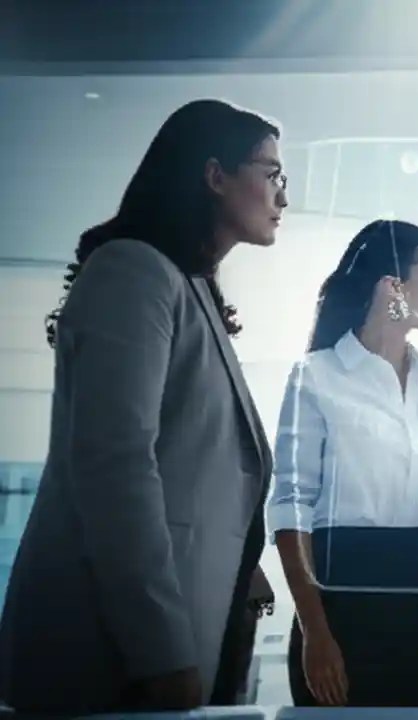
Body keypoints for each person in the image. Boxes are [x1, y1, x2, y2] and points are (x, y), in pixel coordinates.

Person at [0, 99, 287, 713]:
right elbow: (116, 469)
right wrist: (163, 655)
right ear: (215, 176)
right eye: (271, 173)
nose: (281, 196)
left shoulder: (191, 288)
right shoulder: (134, 271)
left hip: (174, 631)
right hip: (113, 648)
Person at [268, 219, 418, 708]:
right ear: (393, 287)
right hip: (340, 599)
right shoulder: (317, 376)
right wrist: (315, 631)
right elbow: (291, 508)